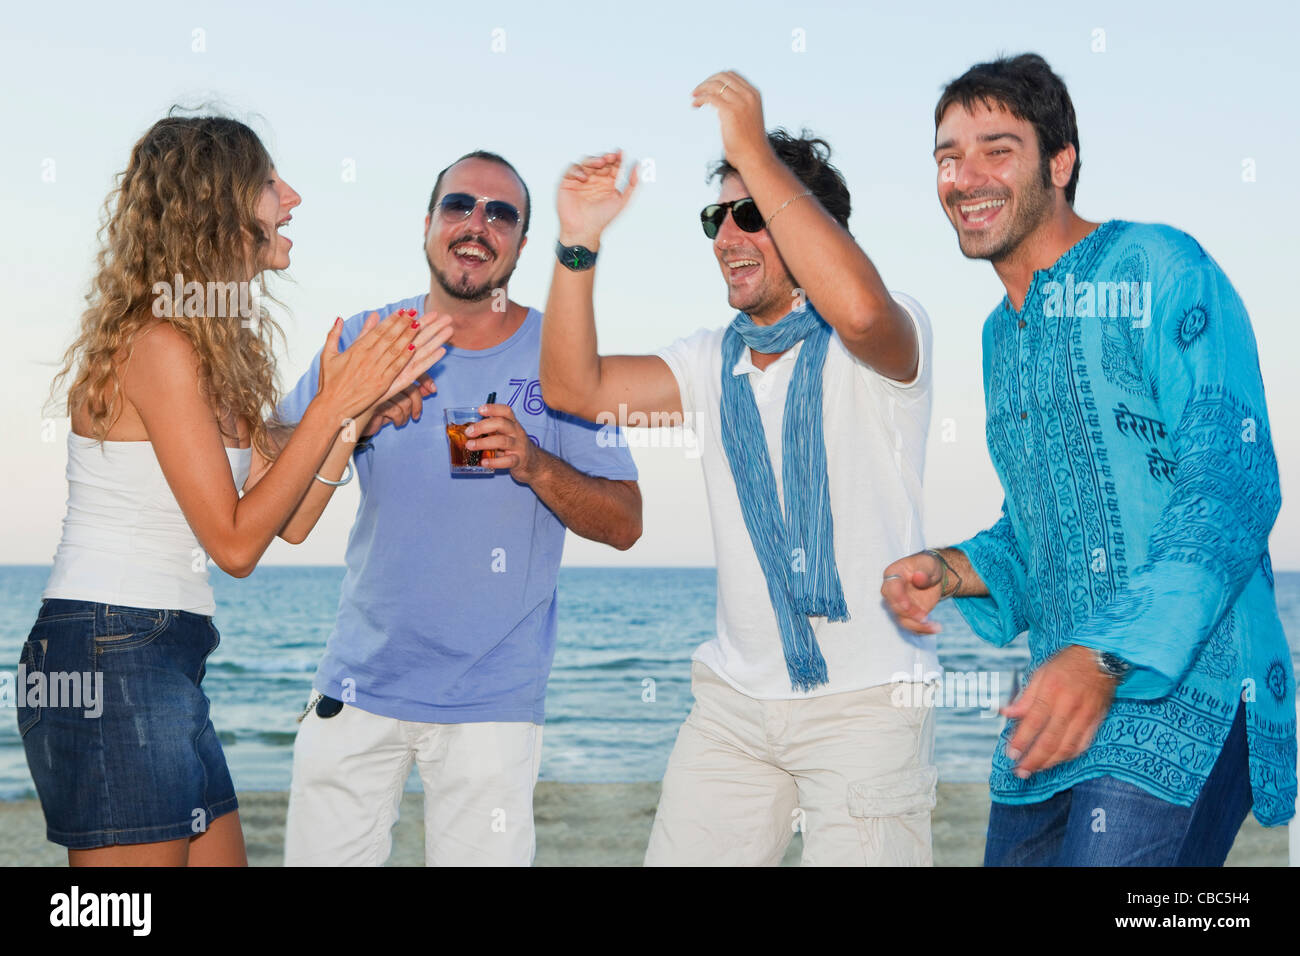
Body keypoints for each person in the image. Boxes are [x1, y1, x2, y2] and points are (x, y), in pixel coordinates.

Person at [881, 53, 1297, 865]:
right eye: (947, 156)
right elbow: (1041, 527)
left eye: (997, 149)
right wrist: (952, 566)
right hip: (1058, 703)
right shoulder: (1001, 337)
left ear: (1060, 163)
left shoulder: (1160, 266)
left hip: (1189, 680)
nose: (965, 176)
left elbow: (1232, 478)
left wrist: (1109, 658)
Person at [22, 114, 452, 866]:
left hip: (162, 657)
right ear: (215, 208)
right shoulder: (158, 345)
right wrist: (329, 404)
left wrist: (355, 418)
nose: (291, 197)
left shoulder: (214, 350)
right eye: (267, 183)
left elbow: (285, 518)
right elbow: (234, 542)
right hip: (106, 656)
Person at [539, 72, 939, 866]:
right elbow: (571, 389)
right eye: (715, 218)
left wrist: (750, 145)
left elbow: (856, 310)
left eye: (751, 213)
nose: (726, 235)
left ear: (811, 226)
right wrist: (578, 241)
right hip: (733, 705)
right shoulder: (704, 361)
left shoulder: (885, 336)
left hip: (867, 704)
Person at [279, 150, 643, 867]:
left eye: (501, 213)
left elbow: (626, 523)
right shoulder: (363, 339)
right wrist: (350, 417)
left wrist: (535, 464)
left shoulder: (561, 356)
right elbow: (272, 465)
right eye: (459, 206)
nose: (477, 224)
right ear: (427, 225)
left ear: (522, 245)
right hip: (358, 684)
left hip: (493, 702)